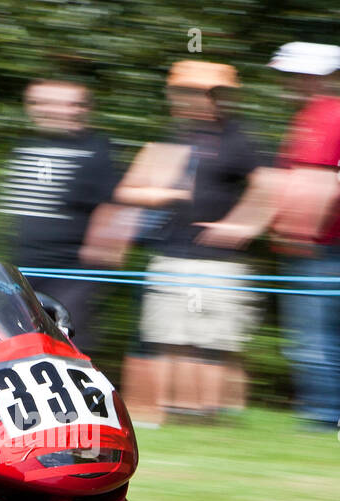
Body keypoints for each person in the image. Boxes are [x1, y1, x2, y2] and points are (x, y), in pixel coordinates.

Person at [199, 43, 340, 428]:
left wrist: (300, 235)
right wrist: (246, 226)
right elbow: (286, 182)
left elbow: (324, 184)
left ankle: (327, 419)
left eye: (297, 74)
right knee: (325, 336)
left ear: (323, 78)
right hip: (331, 249)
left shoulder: (332, 115)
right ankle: (337, 413)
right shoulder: (321, 114)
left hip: (327, 251)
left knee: (317, 339)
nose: (288, 81)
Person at [112, 60, 271, 418]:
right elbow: (129, 191)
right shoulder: (173, 136)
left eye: (196, 93)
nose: (186, 99)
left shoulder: (239, 138)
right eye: (181, 92)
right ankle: (173, 414)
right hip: (171, 255)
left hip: (219, 263)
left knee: (214, 343)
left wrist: (243, 225)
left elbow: (269, 186)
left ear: (219, 98)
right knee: (167, 339)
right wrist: (165, 194)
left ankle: (211, 419)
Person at [0, 78, 126, 355]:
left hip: (70, 274)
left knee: (67, 349)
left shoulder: (96, 149)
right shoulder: (26, 145)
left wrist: (103, 258)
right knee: (15, 347)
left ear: (81, 109)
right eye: (42, 103)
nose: (53, 110)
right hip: (21, 271)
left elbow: (115, 206)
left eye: (65, 104)